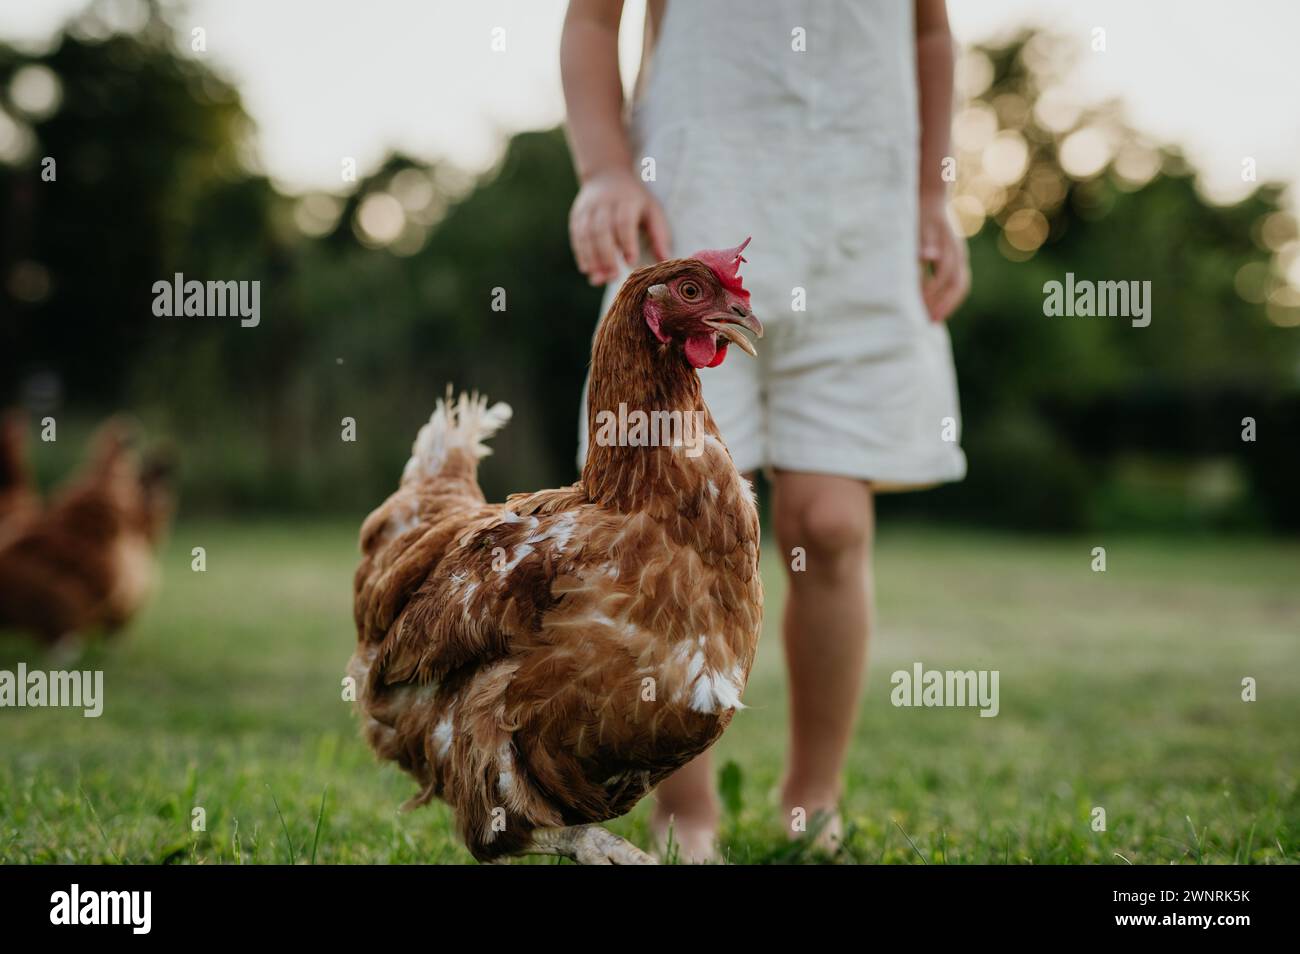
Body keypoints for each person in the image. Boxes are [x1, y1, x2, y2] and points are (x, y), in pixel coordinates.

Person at [562, 0, 969, 861]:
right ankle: (688, 809)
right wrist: (604, 170)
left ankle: (811, 797)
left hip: (860, 230)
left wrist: (934, 192)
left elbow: (930, 32)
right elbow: (593, 20)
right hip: (687, 218)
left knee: (829, 526)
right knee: (672, 532)